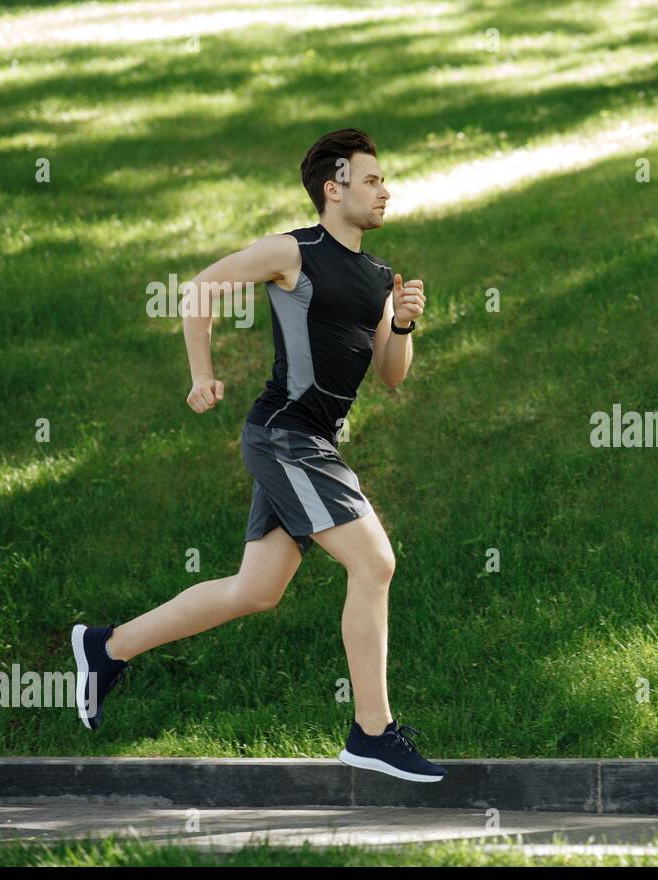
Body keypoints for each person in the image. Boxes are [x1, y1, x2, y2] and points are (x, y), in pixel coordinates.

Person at [69, 128, 446, 783]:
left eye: (385, 180)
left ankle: (107, 646)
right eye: (373, 179)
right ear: (335, 188)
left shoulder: (381, 277)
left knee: (256, 590)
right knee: (375, 561)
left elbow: (390, 374)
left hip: (312, 442)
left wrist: (405, 323)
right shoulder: (293, 251)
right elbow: (202, 290)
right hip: (284, 433)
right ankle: (372, 732)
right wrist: (199, 373)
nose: (386, 190)